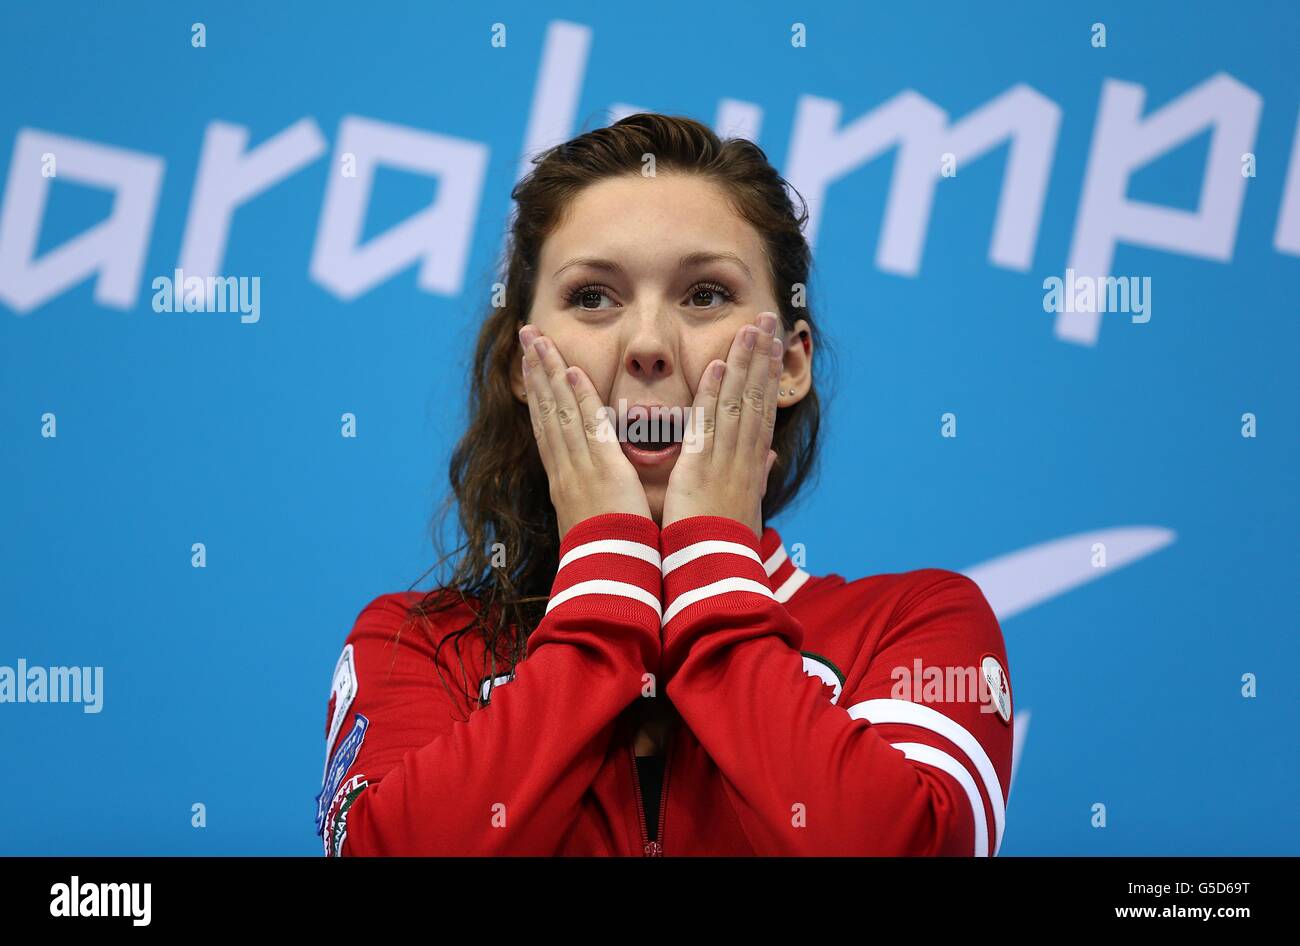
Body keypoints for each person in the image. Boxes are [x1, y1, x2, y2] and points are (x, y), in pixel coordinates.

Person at [314, 112, 1014, 857]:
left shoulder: (916, 627)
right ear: (525, 364)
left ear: (789, 364)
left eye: (705, 294)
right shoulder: (419, 645)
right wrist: (604, 588)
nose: (648, 344)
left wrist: (710, 558)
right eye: (592, 297)